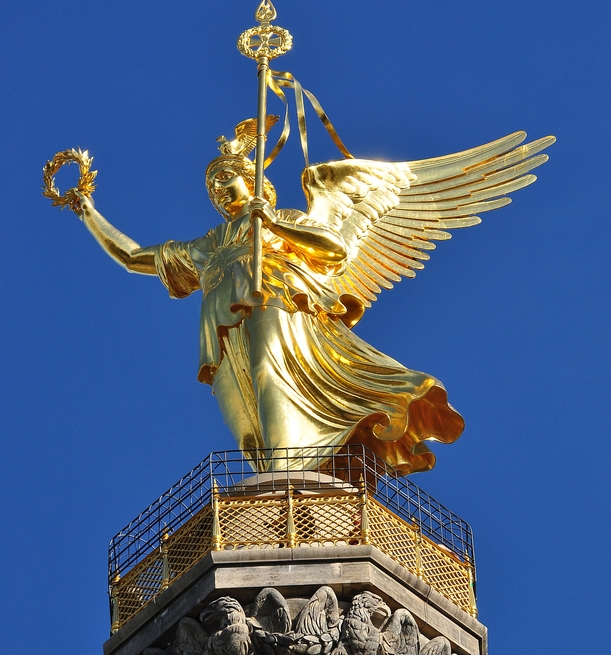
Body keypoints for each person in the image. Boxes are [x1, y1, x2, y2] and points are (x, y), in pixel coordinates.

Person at [76, 150, 464, 473]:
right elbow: (131, 257)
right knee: (243, 416)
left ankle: (289, 476)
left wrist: (273, 223)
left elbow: (333, 250)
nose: (218, 190)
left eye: (225, 177)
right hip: (222, 327)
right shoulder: (206, 246)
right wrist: (88, 212)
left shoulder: (287, 219)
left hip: (277, 298)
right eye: (212, 188)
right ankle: (272, 480)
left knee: (268, 373)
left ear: (254, 181)